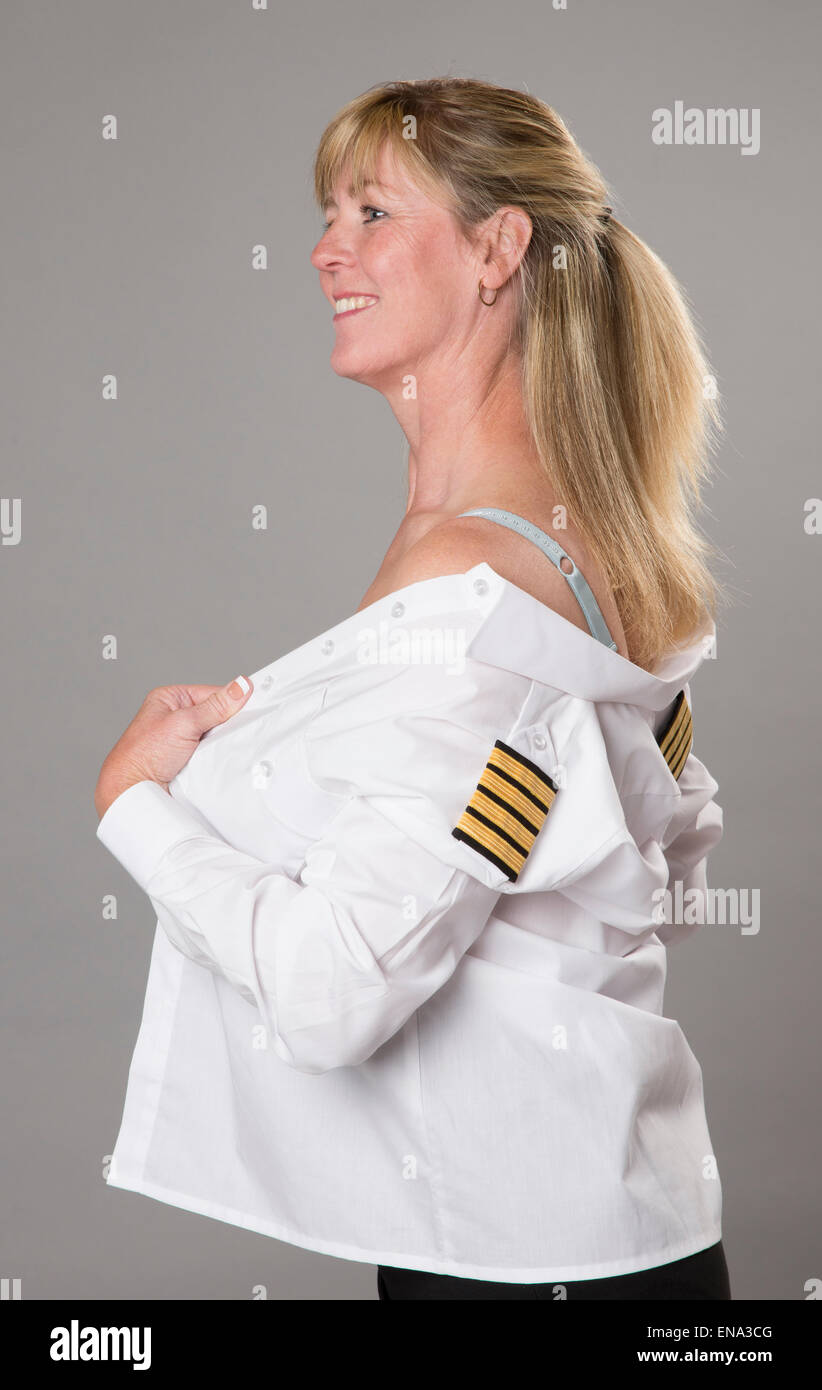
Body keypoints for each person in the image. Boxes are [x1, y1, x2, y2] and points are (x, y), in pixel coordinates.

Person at [94, 77, 731, 1300]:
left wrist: (134, 804)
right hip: (615, 1226)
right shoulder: (599, 546)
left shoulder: (467, 576)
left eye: (373, 212)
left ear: (498, 249)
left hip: (506, 1255)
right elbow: (658, 877)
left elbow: (337, 996)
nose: (327, 250)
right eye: (326, 213)